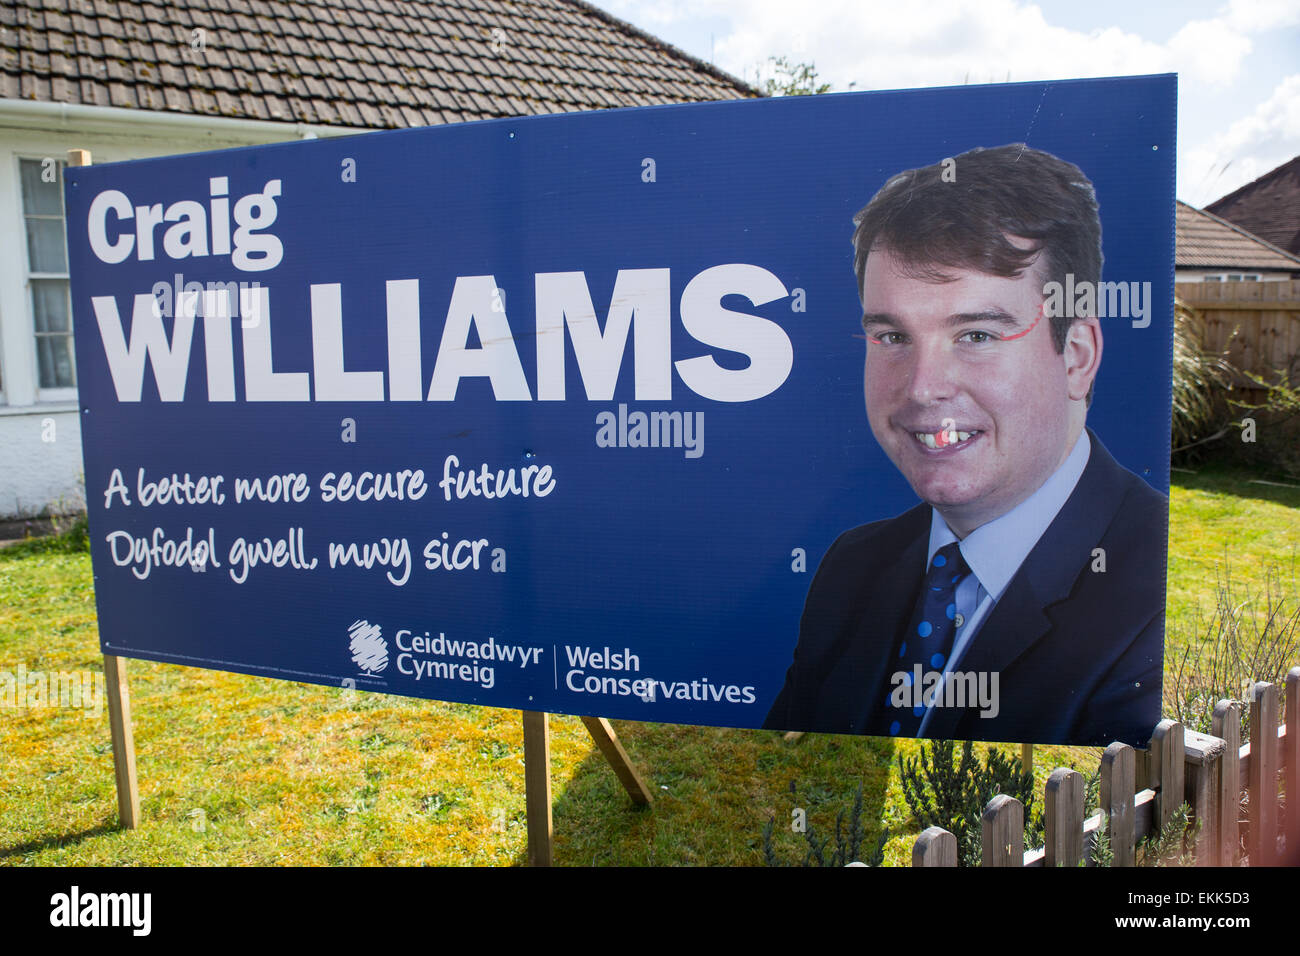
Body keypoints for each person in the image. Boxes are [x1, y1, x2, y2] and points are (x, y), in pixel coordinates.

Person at [763, 144, 1166, 746]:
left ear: (1077, 356)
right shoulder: (854, 564)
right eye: (893, 335)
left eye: (976, 334)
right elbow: (783, 774)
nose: (923, 389)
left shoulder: (1148, 594)